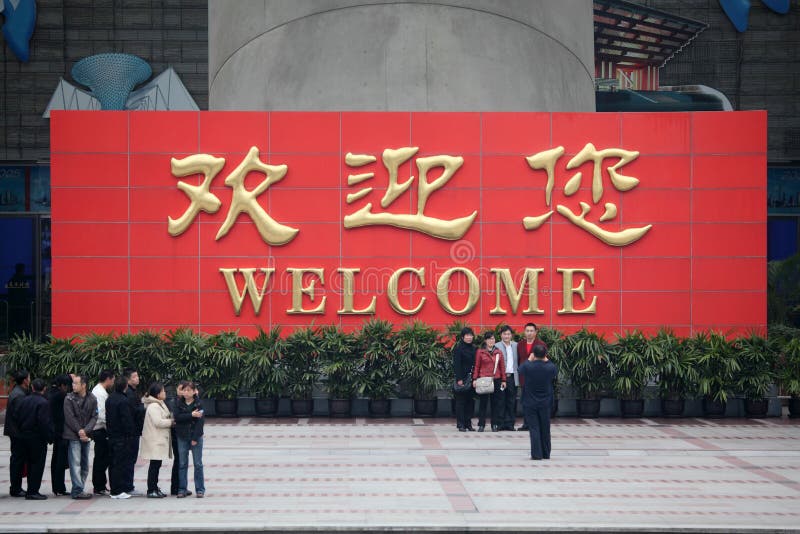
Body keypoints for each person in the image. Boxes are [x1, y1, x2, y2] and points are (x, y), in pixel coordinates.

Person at [14, 378, 53, 500]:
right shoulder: (43, 403)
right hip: (37, 438)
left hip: (23, 436)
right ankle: (33, 491)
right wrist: (49, 437)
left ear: (32, 388)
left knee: (29, 463)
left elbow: (17, 417)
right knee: (37, 464)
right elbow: (44, 423)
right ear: (44, 389)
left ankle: (29, 490)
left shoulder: (24, 400)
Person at [519, 344, 558, 461]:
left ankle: (536, 454)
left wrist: (529, 360)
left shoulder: (528, 366)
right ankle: (546, 453)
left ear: (533, 354)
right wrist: (546, 359)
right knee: (545, 427)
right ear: (545, 355)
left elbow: (519, 370)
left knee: (534, 428)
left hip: (530, 402)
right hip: (545, 402)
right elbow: (554, 370)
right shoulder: (550, 367)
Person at [63, 374, 97, 499]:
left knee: (84, 463)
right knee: (75, 463)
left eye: (76, 383)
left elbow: (94, 416)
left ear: (84, 385)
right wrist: (80, 431)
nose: (73, 386)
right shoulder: (69, 399)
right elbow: (69, 417)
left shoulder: (92, 398)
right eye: (73, 383)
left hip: (86, 435)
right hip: (73, 435)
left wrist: (86, 430)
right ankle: (77, 490)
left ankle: (80, 488)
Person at [140, 383, 174, 498]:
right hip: (154, 440)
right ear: (158, 394)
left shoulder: (160, 403)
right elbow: (158, 422)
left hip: (158, 439)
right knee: (154, 466)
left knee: (157, 465)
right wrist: (171, 422)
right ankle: (151, 489)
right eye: (163, 391)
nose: (165, 393)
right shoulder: (153, 406)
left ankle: (154, 487)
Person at [173, 381, 205, 498]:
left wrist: (195, 438)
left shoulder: (198, 403)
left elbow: (200, 422)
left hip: (195, 437)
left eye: (188, 390)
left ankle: (200, 489)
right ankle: (182, 489)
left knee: (198, 464)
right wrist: (191, 415)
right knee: (182, 463)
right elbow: (177, 417)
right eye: (184, 390)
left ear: (193, 391)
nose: (186, 393)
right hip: (182, 436)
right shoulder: (178, 403)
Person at [106, 376, 136, 499]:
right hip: (121, 437)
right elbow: (126, 420)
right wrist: (131, 433)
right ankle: (118, 490)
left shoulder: (110, 399)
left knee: (113, 464)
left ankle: (114, 488)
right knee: (120, 464)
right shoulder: (124, 401)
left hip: (111, 435)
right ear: (125, 386)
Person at [516, 323, 548, 431]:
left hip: (537, 378)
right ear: (524, 332)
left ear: (535, 332)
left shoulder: (541, 344)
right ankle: (526, 424)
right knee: (526, 402)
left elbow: (544, 361)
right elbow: (518, 360)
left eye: (531, 331)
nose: (529, 333)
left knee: (536, 402)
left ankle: (536, 424)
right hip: (524, 378)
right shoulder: (520, 344)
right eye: (527, 331)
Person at [472, 332, 506, 432]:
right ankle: (481, 424)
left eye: (493, 339)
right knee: (483, 403)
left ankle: (494, 424)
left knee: (495, 404)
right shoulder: (480, 352)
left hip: (496, 379)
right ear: (485, 341)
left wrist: (504, 380)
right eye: (489, 339)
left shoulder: (498, 352)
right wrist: (474, 379)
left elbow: (502, 367)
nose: (491, 341)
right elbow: (477, 366)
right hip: (484, 380)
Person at [4, 368, 30, 497]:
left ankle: (16, 486)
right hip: (17, 433)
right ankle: (15, 487)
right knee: (17, 460)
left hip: (15, 432)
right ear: (25, 380)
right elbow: (20, 416)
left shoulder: (18, 392)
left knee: (17, 460)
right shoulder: (19, 395)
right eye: (29, 378)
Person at [90, 370, 115, 496]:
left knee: (102, 458)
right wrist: (111, 425)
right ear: (108, 379)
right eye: (113, 379)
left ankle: (100, 485)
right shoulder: (99, 393)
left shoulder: (100, 391)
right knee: (101, 458)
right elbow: (101, 414)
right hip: (100, 429)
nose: (113, 382)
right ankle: (99, 486)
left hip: (101, 429)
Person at [47, 374, 72, 496]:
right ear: (63, 385)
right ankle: (59, 487)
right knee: (60, 461)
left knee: (56, 459)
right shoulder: (61, 395)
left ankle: (57, 487)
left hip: (54, 431)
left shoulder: (51, 392)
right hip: (61, 431)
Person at [123, 367, 145, 496]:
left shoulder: (132, 392)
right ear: (128, 379)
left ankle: (128, 485)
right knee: (130, 459)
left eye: (137, 376)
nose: (137, 378)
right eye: (134, 376)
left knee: (131, 459)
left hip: (133, 432)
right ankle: (128, 486)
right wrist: (142, 407)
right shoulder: (130, 394)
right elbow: (135, 412)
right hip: (131, 433)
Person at [494, 325, 519, 431]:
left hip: (512, 377)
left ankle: (510, 424)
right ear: (501, 335)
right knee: (500, 401)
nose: (506, 336)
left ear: (511, 335)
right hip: (500, 378)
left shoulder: (516, 345)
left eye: (508, 334)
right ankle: (500, 423)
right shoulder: (496, 346)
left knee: (511, 401)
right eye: (504, 334)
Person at [453, 327, 477, 432]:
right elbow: (456, 365)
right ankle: (460, 424)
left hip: (472, 379)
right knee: (460, 402)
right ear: (462, 337)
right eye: (467, 335)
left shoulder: (475, 348)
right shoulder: (458, 349)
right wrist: (459, 379)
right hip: (462, 378)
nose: (469, 337)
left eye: (470, 335)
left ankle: (468, 423)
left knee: (470, 402)